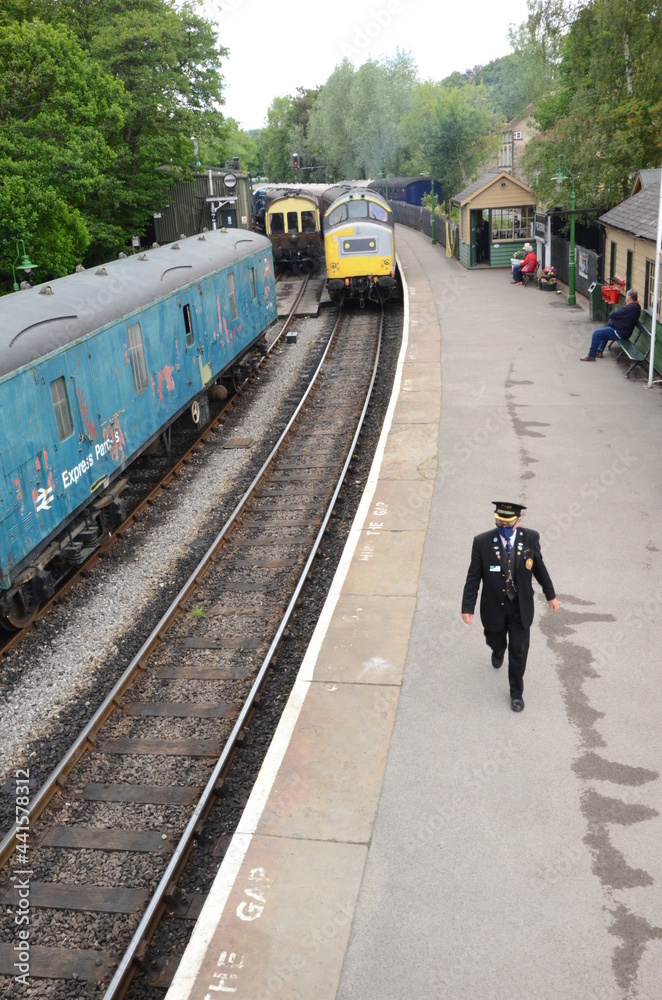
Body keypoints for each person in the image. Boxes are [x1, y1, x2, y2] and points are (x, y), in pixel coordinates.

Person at [461, 501, 560, 712]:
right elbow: (473, 578)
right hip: (494, 607)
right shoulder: (482, 542)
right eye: (499, 522)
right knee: (497, 640)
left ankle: (516, 693)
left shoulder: (530, 539)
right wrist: (467, 607)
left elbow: (540, 569)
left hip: (520, 607)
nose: (503, 527)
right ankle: (497, 651)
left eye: (507, 523)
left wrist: (550, 595)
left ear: (518, 522)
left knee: (519, 651)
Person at [580, 289, 641, 361]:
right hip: (624, 331)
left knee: (596, 333)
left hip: (620, 332)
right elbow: (620, 315)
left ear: (629, 298)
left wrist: (613, 316)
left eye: (626, 296)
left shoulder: (630, 308)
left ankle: (591, 355)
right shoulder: (636, 307)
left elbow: (613, 314)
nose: (625, 298)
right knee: (605, 330)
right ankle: (599, 351)